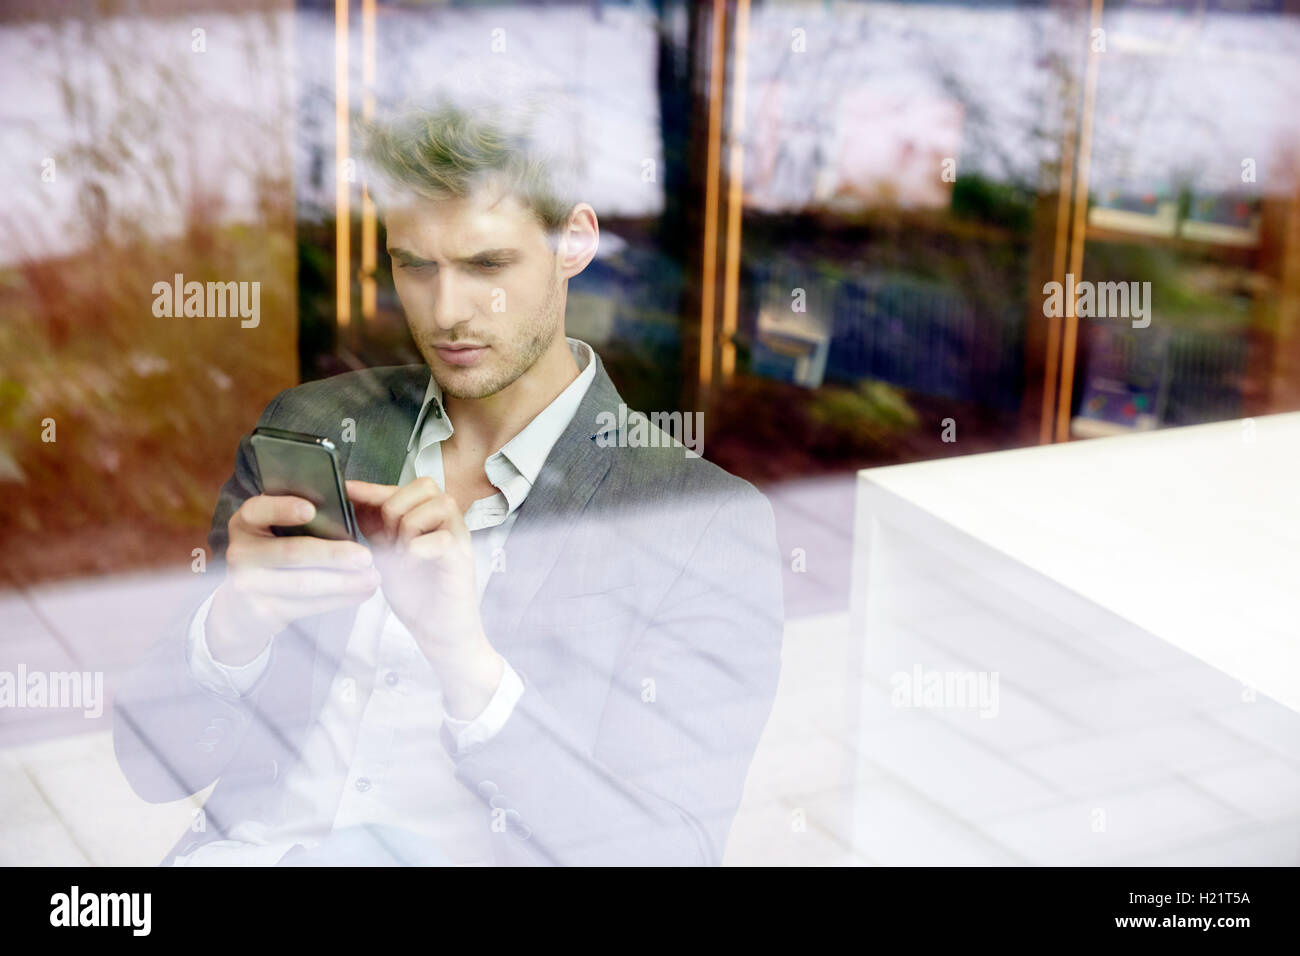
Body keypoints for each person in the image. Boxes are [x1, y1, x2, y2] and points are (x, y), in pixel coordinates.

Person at [113, 82, 785, 866]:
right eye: (416, 266)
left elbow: (672, 851)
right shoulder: (312, 425)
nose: (447, 312)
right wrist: (231, 630)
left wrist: (469, 666)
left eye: (487, 264)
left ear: (574, 242)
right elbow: (148, 769)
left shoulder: (701, 522)